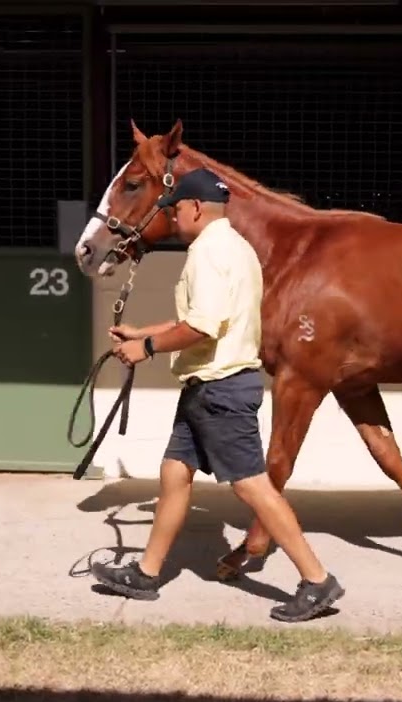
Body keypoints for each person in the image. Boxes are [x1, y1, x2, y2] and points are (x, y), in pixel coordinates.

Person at [90, 167, 345, 623]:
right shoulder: (238, 248)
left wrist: (146, 348)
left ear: (193, 207)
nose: (173, 220)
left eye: (175, 211)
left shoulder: (207, 253)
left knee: (252, 486)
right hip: (208, 387)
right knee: (175, 473)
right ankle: (146, 574)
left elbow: (203, 326)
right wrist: (142, 332)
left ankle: (317, 580)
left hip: (220, 390)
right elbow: (208, 319)